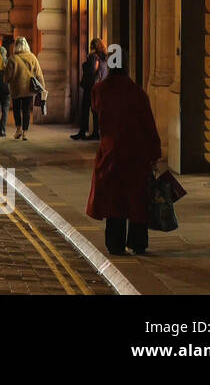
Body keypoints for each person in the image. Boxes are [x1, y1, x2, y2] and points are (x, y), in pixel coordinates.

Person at [86, 61, 161, 256]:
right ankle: (138, 242)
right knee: (137, 200)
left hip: (110, 151)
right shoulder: (137, 92)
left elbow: (96, 109)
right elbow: (148, 124)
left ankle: (115, 243)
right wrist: (155, 152)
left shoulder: (99, 90)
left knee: (114, 201)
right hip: (136, 152)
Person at [6, 37, 45, 141]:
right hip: (29, 89)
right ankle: (25, 133)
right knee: (26, 110)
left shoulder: (12, 58)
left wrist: (7, 80)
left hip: (16, 89)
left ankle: (18, 129)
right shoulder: (32, 57)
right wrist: (42, 88)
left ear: (16, 46)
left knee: (17, 109)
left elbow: (7, 77)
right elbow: (39, 74)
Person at [73, 38, 109, 140]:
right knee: (95, 110)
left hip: (91, 87)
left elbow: (92, 71)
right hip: (100, 87)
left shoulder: (94, 57)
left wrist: (86, 63)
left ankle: (83, 132)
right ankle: (95, 132)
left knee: (85, 109)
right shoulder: (104, 58)